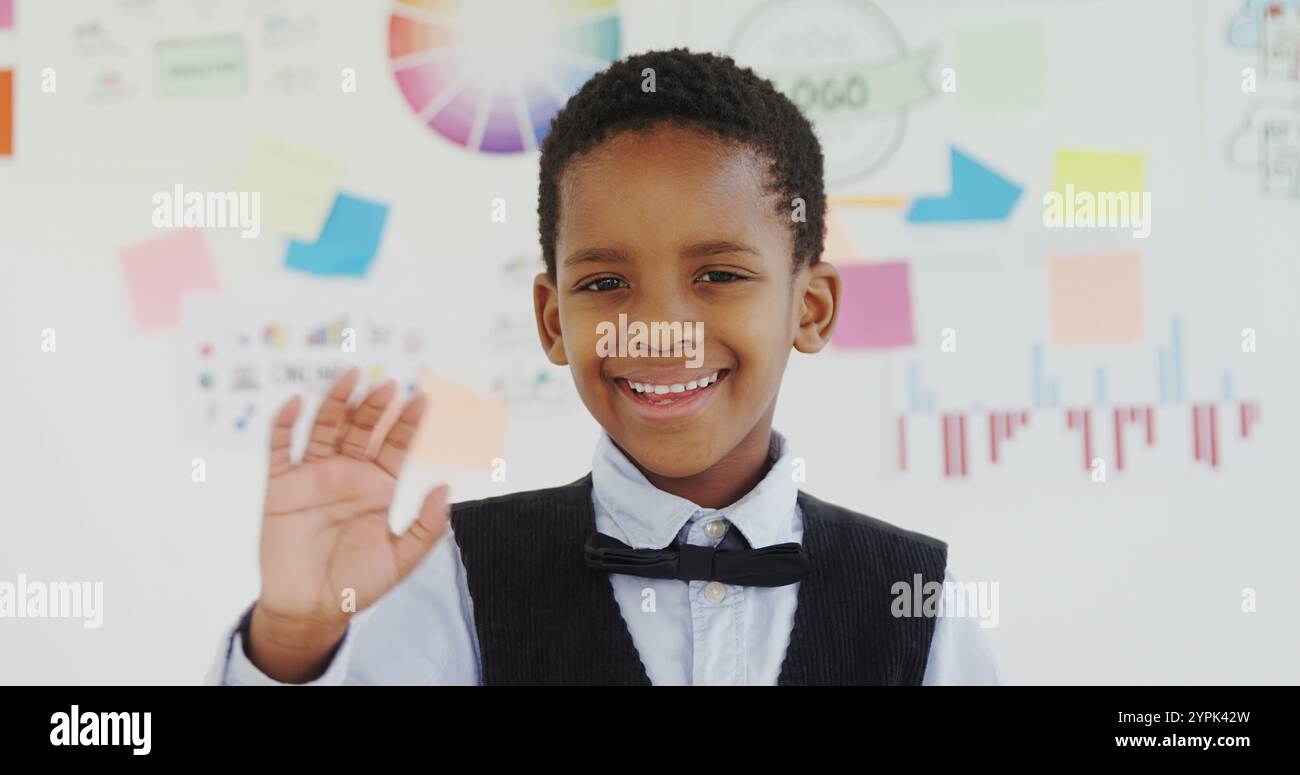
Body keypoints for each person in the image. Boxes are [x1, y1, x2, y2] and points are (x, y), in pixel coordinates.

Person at [208, 48, 1000, 686]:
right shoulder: (457, 577)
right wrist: (297, 635)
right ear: (554, 320)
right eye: (606, 283)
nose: (658, 331)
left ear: (812, 308)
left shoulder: (914, 593)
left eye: (719, 274)